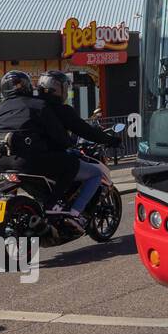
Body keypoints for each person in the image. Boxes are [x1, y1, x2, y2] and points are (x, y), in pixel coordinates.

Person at [0, 72, 83, 219]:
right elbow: (58, 135)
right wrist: (69, 144)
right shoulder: (38, 105)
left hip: (1, 162)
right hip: (29, 161)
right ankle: (53, 204)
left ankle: (8, 201)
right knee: (72, 163)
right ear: (28, 86)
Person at [36, 71, 120, 222]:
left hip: (26, 158)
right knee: (95, 173)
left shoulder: (33, 106)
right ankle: (75, 213)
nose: (66, 91)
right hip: (52, 158)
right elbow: (85, 130)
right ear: (57, 89)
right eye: (65, 87)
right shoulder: (60, 109)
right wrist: (111, 140)